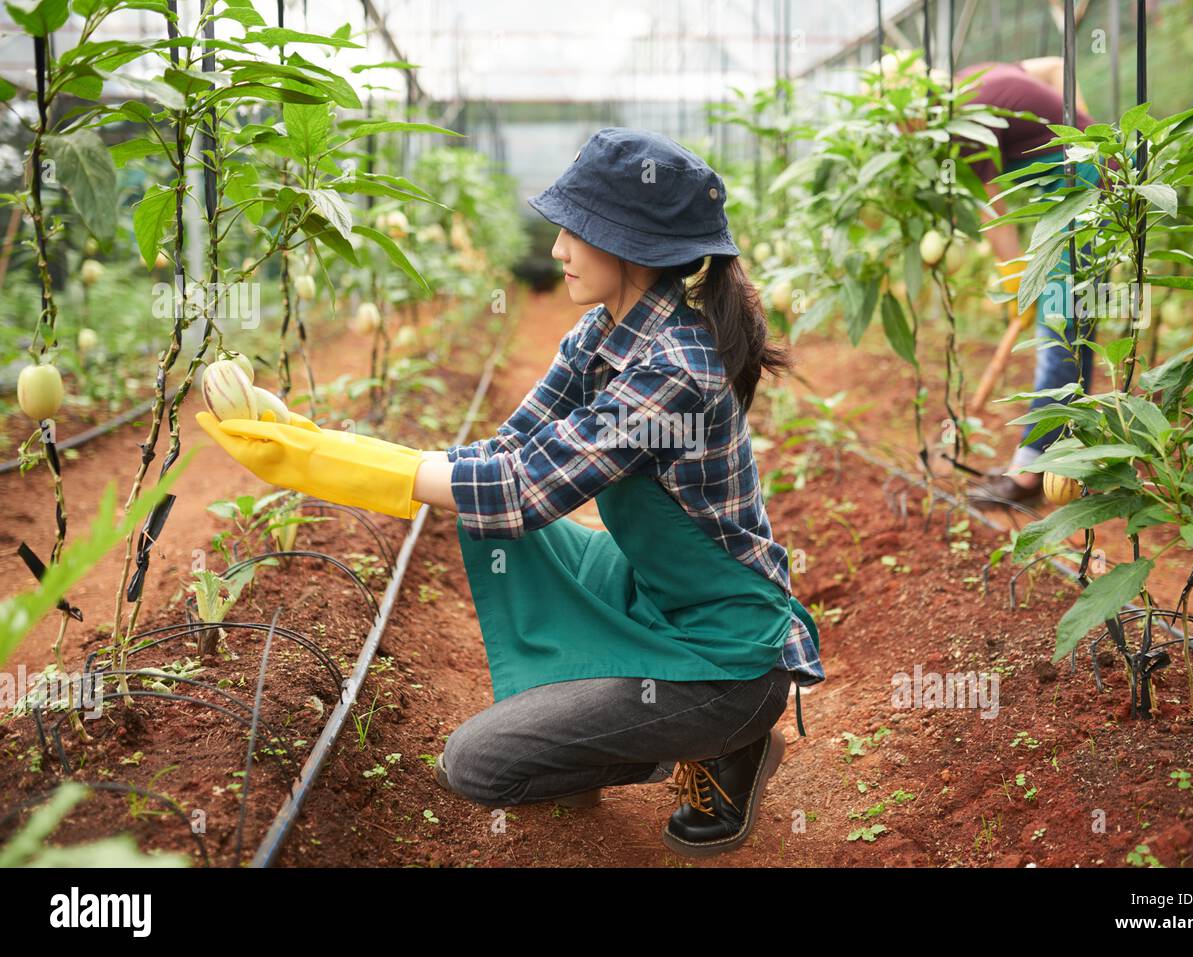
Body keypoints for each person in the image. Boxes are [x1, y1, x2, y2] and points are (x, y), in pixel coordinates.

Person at [195, 127, 824, 859]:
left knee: (479, 763)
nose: (557, 248)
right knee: (487, 518)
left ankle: (730, 740)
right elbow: (502, 452)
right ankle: (631, 726)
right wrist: (314, 434)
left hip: (727, 652)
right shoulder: (597, 334)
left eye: (576, 230)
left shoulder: (676, 368)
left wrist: (323, 463)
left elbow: (519, 489)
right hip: (657, 595)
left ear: (633, 245)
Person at [951, 58, 1106, 505]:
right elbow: (1060, 65)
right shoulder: (981, 76)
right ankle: (1058, 452)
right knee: (1072, 322)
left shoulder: (963, 122)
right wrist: (1082, 126)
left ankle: (1030, 472)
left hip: (1086, 187)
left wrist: (1020, 279)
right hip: (1088, 172)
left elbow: (994, 212)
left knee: (1059, 324)